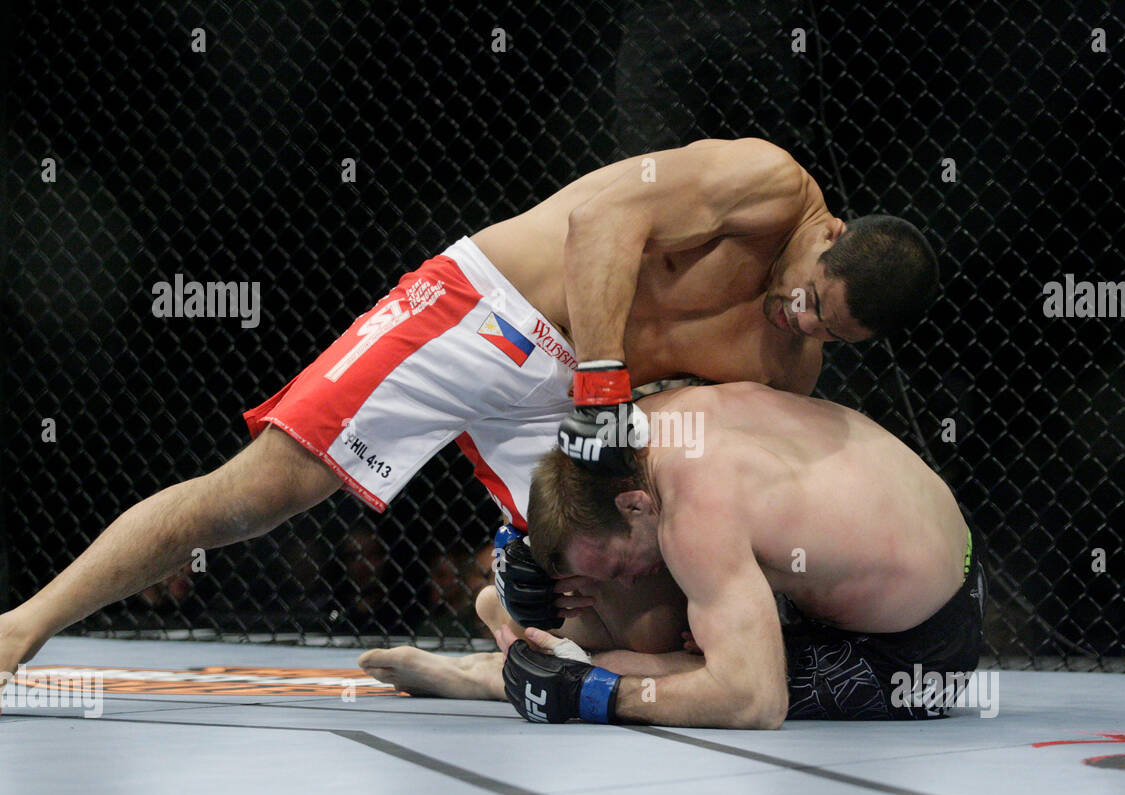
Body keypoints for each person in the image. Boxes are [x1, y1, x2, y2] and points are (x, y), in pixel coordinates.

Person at [0, 137, 939, 685]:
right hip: (495, 312)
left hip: (585, 395)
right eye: (812, 296)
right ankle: (25, 625)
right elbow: (603, 224)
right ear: (832, 235)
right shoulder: (767, 182)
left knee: (639, 604)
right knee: (259, 495)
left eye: (831, 330)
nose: (800, 318)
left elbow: (719, 439)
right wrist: (606, 395)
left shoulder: (795, 360)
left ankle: (481, 668)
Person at [361, 383, 985, 729]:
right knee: (656, 611)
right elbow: (569, 500)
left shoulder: (697, 510)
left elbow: (754, 703)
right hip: (915, 550)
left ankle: (493, 676)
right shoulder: (650, 424)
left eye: (610, 567)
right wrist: (536, 565)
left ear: (634, 506)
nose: (623, 579)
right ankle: (528, 641)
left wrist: (595, 693)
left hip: (922, 654)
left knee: (661, 657)